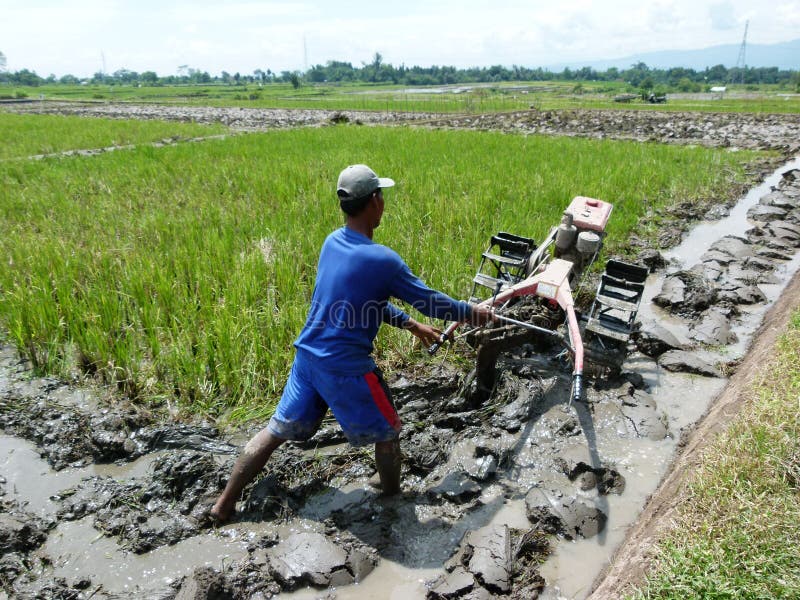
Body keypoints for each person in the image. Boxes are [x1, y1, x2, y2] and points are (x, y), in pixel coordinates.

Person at [210, 164, 494, 523]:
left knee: (275, 431)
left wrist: (409, 324)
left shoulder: (333, 242)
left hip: (307, 360)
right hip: (345, 369)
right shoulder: (383, 260)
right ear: (375, 201)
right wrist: (477, 313)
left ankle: (223, 505)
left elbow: (361, 298)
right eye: (383, 196)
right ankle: (394, 501)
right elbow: (432, 301)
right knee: (389, 430)